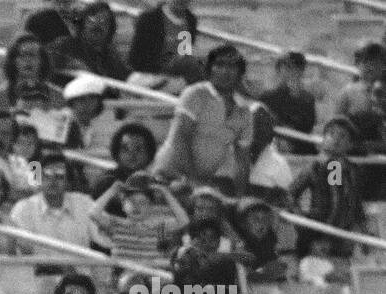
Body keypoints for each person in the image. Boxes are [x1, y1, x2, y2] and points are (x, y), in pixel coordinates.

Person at [152, 45, 252, 197]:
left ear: (240, 73)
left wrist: (239, 196)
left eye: (232, 66)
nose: (225, 71)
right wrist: (194, 181)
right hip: (169, 176)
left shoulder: (244, 111)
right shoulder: (195, 94)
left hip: (203, 184)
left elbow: (242, 160)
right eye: (219, 65)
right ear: (210, 69)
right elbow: (181, 139)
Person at [288, 116, 367, 258]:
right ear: (323, 138)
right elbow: (290, 195)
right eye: (331, 134)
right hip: (321, 235)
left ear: (350, 144)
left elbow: (354, 202)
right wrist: (303, 223)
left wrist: (361, 229)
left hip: (342, 236)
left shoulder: (351, 168)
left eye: (342, 136)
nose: (336, 139)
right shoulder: (323, 165)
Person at [0, 33, 66, 139]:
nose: (28, 60)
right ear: (13, 61)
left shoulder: (59, 97)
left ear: (42, 61)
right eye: (22, 55)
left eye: (33, 55)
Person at [90, 171, 189, 269]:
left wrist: (165, 193)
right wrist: (112, 190)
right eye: (131, 202)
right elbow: (93, 213)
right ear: (123, 206)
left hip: (151, 279)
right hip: (123, 278)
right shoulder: (116, 225)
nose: (136, 207)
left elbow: (184, 221)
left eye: (142, 203)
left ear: (151, 207)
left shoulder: (160, 226)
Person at [10, 150, 99, 253]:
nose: (53, 181)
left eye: (59, 176)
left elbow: (104, 238)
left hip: (80, 268)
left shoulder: (84, 203)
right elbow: (23, 253)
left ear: (68, 181)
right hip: (40, 268)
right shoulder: (23, 209)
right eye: (47, 175)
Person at [127, 0, 202, 88]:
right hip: (148, 75)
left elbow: (184, 53)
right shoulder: (149, 19)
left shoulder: (191, 20)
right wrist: (164, 67)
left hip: (176, 77)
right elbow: (135, 59)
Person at [89, 122, 158, 215]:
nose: (132, 154)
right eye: (125, 149)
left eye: (138, 149)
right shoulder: (107, 181)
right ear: (117, 152)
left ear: (149, 154)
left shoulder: (151, 181)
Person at [258, 51, 317, 157]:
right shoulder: (267, 97)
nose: (293, 72)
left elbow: (308, 126)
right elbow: (262, 124)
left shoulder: (307, 98)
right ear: (279, 70)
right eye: (288, 68)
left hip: (299, 147)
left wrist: (298, 98)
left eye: (298, 69)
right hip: (272, 147)